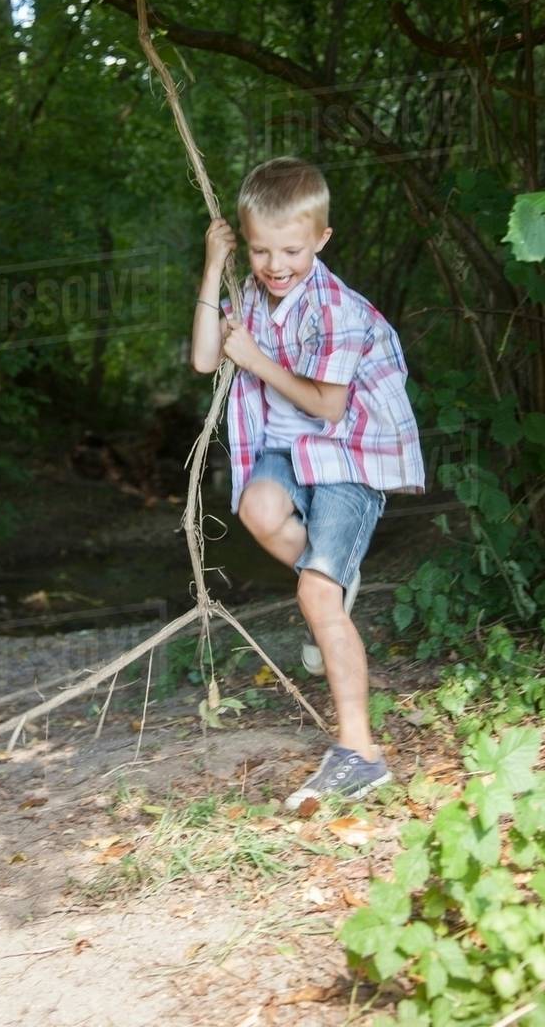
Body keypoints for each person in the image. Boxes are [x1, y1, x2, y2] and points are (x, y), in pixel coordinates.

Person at [191, 157, 425, 807]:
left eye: (290, 250)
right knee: (258, 508)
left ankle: (361, 753)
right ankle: (333, 581)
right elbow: (207, 357)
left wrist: (257, 360)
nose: (274, 264)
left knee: (316, 600)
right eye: (260, 250)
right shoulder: (255, 298)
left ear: (320, 240)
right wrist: (215, 265)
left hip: (350, 454)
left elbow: (327, 406)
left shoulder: (338, 310)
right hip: (291, 453)